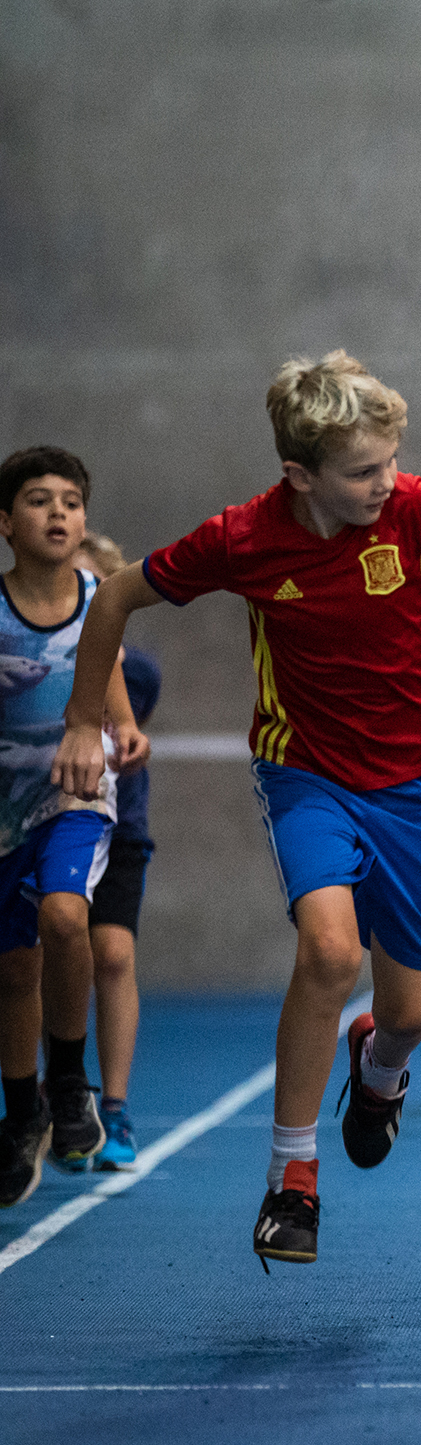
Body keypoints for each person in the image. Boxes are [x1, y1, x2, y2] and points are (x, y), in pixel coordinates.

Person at [51, 353, 421, 1266]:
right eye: (364, 472)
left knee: (409, 1012)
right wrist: (86, 720)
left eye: (391, 462)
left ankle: (381, 1068)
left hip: (408, 782)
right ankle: (293, 1180)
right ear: (300, 476)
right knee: (328, 950)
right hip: (305, 774)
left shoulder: (415, 510)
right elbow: (115, 598)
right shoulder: (243, 539)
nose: (386, 482)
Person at [0, 450, 146, 1207]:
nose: (58, 513)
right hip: (3, 806)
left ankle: (67, 1080)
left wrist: (122, 728)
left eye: (70, 502)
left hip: (74, 795)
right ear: (5, 523)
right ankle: (20, 1109)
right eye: (37, 500)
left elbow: (107, 674)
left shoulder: (100, 597)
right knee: (14, 968)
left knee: (66, 917)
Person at [77, 532, 159, 1170]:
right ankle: (57, 1095)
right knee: (45, 957)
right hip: (42, 823)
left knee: (112, 952)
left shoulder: (135, 672)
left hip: (117, 827)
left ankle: (116, 1104)